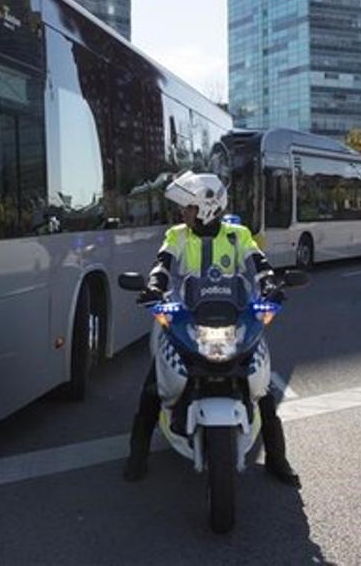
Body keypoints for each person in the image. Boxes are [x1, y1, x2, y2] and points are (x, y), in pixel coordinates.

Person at [123, 171, 300, 487]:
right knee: (153, 387)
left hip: (231, 316)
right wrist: (153, 287)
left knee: (263, 391)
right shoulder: (177, 235)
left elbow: (257, 263)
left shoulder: (238, 234)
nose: (182, 213)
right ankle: (137, 454)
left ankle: (277, 459)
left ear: (206, 207)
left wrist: (270, 284)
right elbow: (163, 265)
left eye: (187, 207)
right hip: (185, 315)